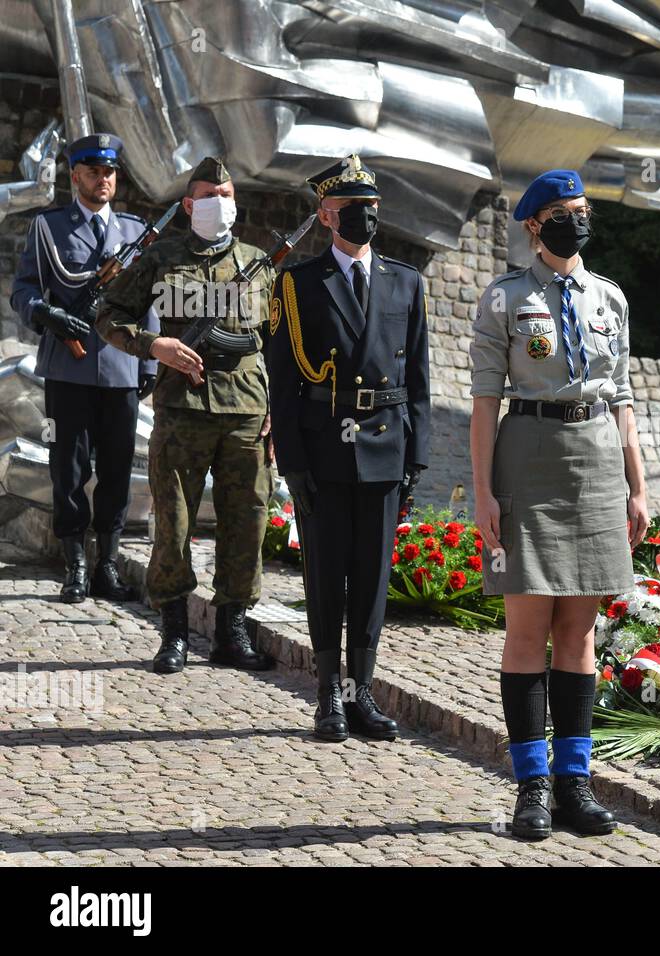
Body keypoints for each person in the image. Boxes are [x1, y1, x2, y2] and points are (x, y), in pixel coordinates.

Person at [470, 169, 649, 839]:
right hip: (529, 455)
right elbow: (485, 402)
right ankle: (532, 789)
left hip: (597, 460)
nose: (575, 221)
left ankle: (576, 784)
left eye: (582, 210)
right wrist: (484, 491)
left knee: (577, 633)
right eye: (561, 212)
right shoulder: (504, 298)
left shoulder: (610, 297)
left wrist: (639, 484)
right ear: (533, 225)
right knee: (526, 630)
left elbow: (624, 396)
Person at [266, 154, 431, 742]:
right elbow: (283, 384)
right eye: (357, 211)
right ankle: (327, 694)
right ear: (327, 215)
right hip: (324, 450)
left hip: (386, 451)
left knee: (370, 579)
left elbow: (419, 382)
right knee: (325, 578)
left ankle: (364, 692)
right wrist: (294, 464)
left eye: (374, 209)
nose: (368, 219)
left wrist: (417, 458)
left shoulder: (406, 281)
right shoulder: (298, 283)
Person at [97, 157, 274, 674]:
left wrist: (280, 407)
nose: (221, 202)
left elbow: (284, 343)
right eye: (210, 194)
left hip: (246, 409)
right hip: (182, 408)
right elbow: (109, 314)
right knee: (173, 524)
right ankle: (173, 631)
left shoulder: (261, 263)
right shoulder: (162, 257)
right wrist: (156, 345)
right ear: (190, 204)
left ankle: (231, 631)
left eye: (228, 193)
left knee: (248, 522)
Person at [9, 133, 157, 604]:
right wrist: (44, 314)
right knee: (67, 469)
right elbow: (24, 289)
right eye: (94, 172)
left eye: (110, 172)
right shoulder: (49, 228)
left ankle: (106, 565)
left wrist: (149, 356)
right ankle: (74, 564)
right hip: (68, 370)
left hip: (121, 368)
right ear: (75, 177)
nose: (104, 180)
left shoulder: (134, 232)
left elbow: (146, 298)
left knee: (116, 468)